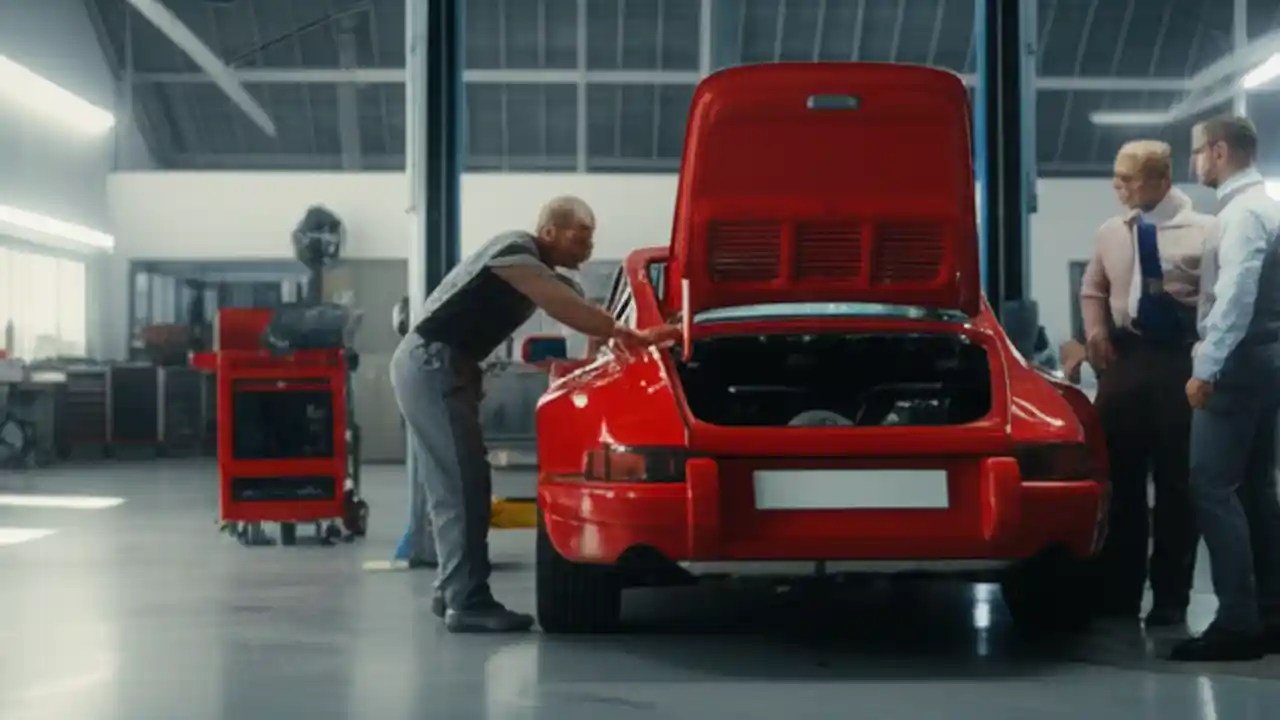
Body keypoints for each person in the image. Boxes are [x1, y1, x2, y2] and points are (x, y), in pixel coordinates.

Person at [389, 195, 676, 633]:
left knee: (459, 481)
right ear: (549, 232)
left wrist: (621, 333)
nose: (588, 247)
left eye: (592, 239)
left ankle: (451, 589)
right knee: (462, 483)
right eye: (580, 237)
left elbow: (580, 315)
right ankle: (467, 601)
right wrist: (626, 332)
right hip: (431, 364)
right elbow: (563, 305)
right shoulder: (515, 251)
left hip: (444, 365)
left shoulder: (544, 272)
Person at [1079, 140, 1217, 627]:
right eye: (1116, 177)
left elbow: (1217, 301)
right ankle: (1119, 593)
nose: (1118, 187)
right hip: (1127, 360)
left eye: (1129, 179)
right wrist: (1095, 332)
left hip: (1180, 360)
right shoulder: (1112, 231)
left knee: (1178, 487)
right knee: (1120, 483)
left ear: (1162, 179)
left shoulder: (1206, 231)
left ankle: (1171, 598)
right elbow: (1093, 288)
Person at [1171, 115, 1280, 661]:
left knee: (1211, 487)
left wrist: (1207, 367)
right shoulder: (1269, 207)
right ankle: (1270, 613)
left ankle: (1236, 620)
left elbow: (1236, 294)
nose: (1192, 163)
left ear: (1217, 151)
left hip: (1235, 364)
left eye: (1195, 152)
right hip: (1268, 360)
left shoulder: (1241, 216)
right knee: (1256, 488)